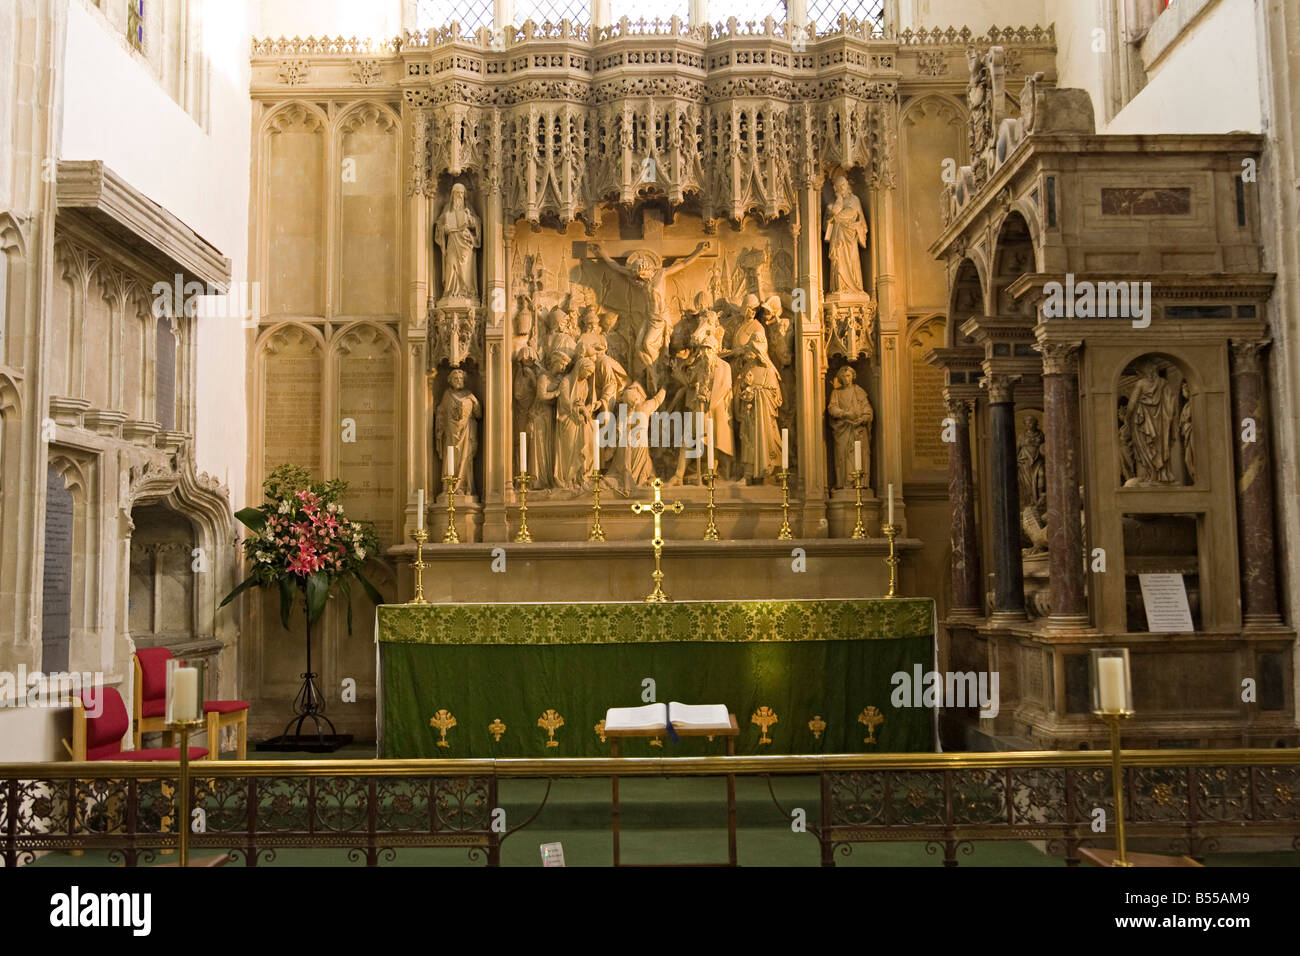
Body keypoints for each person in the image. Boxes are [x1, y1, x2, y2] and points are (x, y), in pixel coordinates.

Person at [434, 368, 481, 495]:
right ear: (450, 381)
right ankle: (449, 487)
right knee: (451, 458)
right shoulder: (447, 395)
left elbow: (479, 414)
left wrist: (475, 402)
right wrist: (440, 427)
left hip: (466, 432)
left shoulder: (469, 395)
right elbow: (441, 412)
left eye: (460, 378)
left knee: (466, 459)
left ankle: (464, 487)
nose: (458, 381)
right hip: (451, 433)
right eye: (455, 379)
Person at [827, 366, 873, 489]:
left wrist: (862, 419)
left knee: (859, 455)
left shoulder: (858, 391)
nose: (846, 378)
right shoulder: (836, 393)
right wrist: (845, 414)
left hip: (858, 429)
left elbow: (867, 409)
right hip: (843, 429)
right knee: (842, 456)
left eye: (848, 375)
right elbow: (832, 408)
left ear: (853, 376)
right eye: (843, 376)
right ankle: (843, 484)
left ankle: (859, 483)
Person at [434, 183, 481, 299]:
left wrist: (471, 221)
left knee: (465, 267)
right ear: (452, 195)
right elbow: (439, 224)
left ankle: (467, 292)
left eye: (461, 193)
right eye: (457, 193)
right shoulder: (447, 209)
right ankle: (450, 292)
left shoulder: (468, 208)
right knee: (451, 264)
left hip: (465, 242)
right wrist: (443, 229)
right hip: (452, 240)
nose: (459, 195)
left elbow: (477, 223)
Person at [824, 174, 868, 293]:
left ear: (846, 186)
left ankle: (853, 287)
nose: (840, 189)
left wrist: (835, 217)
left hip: (849, 237)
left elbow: (852, 212)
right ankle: (839, 287)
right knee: (837, 259)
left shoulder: (854, 199)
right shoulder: (836, 202)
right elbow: (828, 218)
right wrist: (836, 205)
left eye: (842, 186)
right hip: (838, 236)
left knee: (851, 260)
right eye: (837, 188)